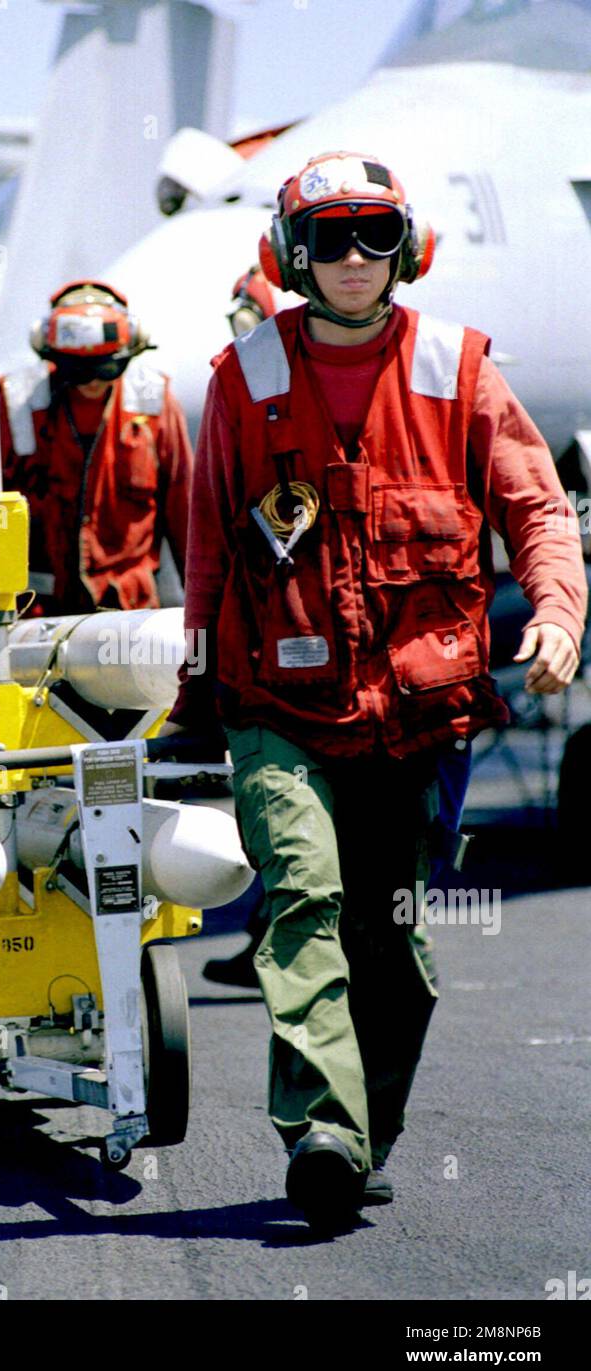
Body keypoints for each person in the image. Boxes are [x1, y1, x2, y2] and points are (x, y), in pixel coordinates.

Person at [163, 151, 587, 1229]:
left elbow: (539, 509)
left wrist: (555, 614)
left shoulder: (459, 366)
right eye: (332, 235)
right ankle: (321, 1131)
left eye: (376, 234)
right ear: (291, 253)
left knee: (392, 942)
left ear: (408, 246)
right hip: (280, 708)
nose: (355, 256)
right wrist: (198, 687)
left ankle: (367, 1131)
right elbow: (210, 549)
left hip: (418, 711)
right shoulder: (241, 376)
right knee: (302, 898)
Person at [0, 281, 192, 615]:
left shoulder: (155, 402)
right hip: (40, 615)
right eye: (78, 370)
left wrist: (206, 615)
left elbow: (187, 514)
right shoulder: (16, 405)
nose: (91, 381)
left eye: (105, 368)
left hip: (127, 614)